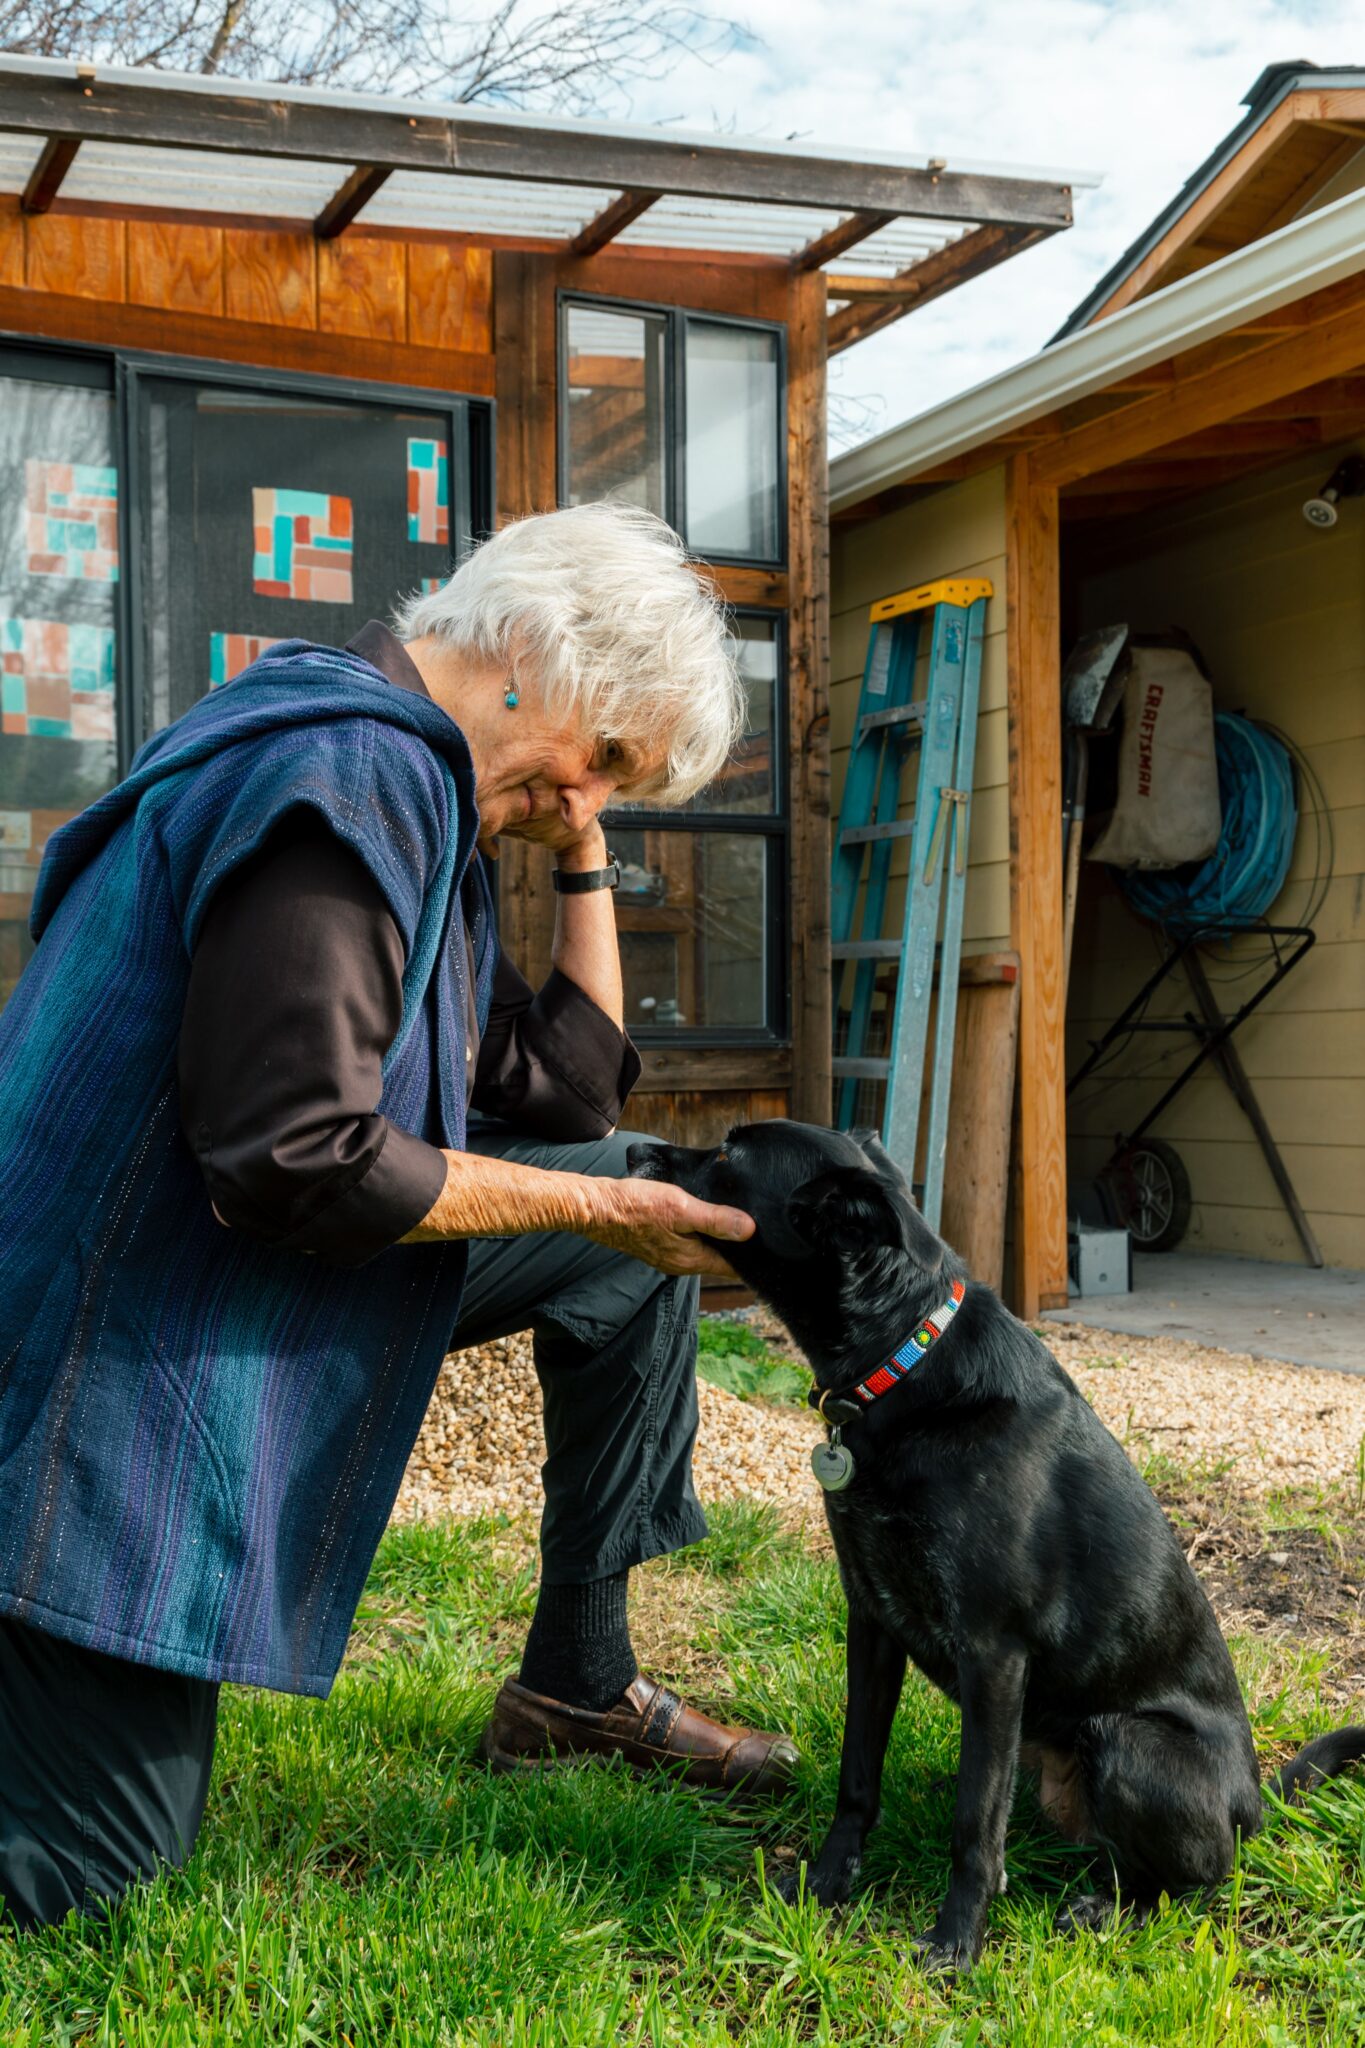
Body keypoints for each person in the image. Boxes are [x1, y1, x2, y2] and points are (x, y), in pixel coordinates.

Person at [0, 503, 797, 1933]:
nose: (579, 797)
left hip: (202, 1265)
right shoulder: (349, 772)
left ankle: (574, 1680)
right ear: (534, 659)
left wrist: (583, 849)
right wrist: (597, 1202)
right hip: (94, 1350)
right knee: (93, 1878)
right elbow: (293, 1159)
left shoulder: (410, 777)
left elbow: (559, 1086)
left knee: (626, 1260)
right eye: (600, 758)